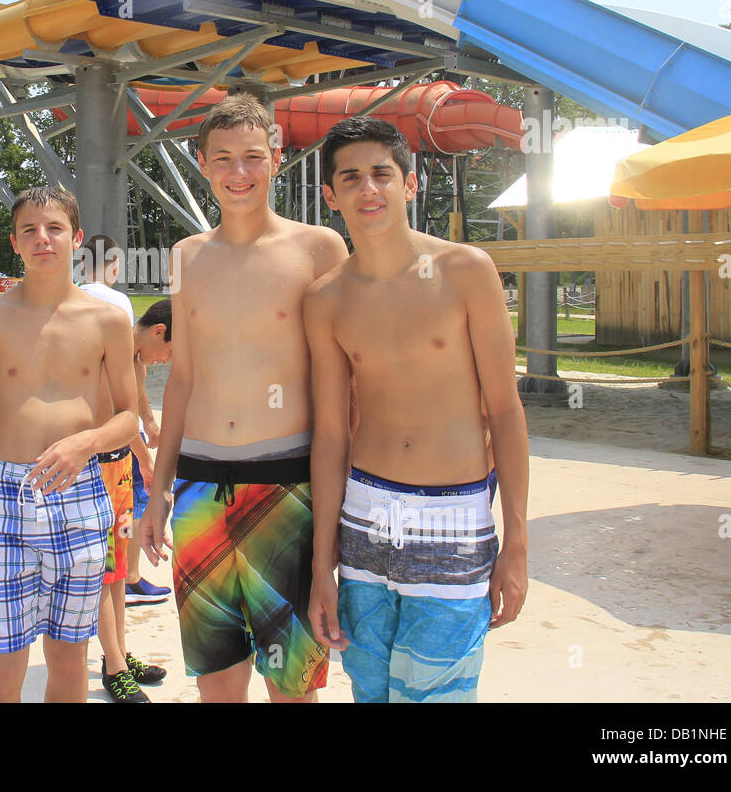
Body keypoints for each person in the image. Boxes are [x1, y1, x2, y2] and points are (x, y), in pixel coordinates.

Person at [304, 115, 529, 703]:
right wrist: (321, 566)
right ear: (331, 195)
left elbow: (505, 412)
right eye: (350, 178)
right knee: (371, 690)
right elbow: (330, 435)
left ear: (410, 183)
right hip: (364, 518)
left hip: (454, 517)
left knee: (439, 694)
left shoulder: (465, 271)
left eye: (382, 173)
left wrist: (517, 543)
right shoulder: (326, 298)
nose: (367, 188)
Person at [140, 94, 349, 703]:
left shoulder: (318, 249)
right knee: (217, 679)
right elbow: (181, 378)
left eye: (253, 157)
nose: (239, 172)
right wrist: (158, 491)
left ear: (277, 158)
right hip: (199, 486)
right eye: (224, 158)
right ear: (202, 164)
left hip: (287, 483)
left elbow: (340, 384)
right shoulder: (187, 256)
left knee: (291, 685)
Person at [0, 187, 137, 703]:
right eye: (29, 230)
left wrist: (87, 443)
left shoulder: (108, 322)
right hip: (2, 499)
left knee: (69, 658)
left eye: (54, 228)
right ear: (14, 242)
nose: (42, 239)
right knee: (3, 664)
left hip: (78, 495)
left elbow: (130, 416)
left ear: (76, 238)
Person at [77, 236, 169, 701]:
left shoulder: (78, 310)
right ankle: (115, 664)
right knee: (104, 571)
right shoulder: (112, 310)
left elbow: (135, 410)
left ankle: (118, 651)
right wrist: (149, 457)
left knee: (113, 571)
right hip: (102, 463)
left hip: (106, 460)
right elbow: (125, 412)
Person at [123, 300, 174, 608]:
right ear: (159, 332)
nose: (165, 361)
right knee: (128, 514)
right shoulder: (120, 354)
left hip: (125, 441)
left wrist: (150, 422)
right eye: (169, 352)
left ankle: (128, 576)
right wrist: (145, 460)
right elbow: (120, 417)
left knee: (131, 512)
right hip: (115, 450)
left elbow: (137, 391)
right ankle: (126, 578)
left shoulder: (134, 356)